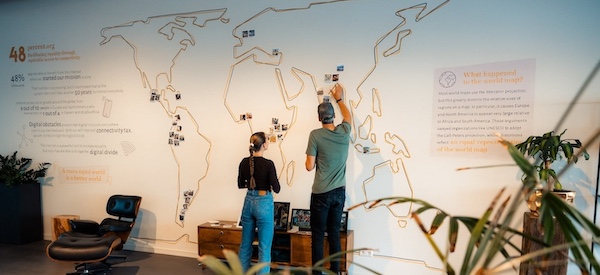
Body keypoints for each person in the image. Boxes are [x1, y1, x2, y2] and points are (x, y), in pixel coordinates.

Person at [305, 83, 351, 274]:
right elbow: (348, 117)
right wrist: (339, 98)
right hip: (339, 192)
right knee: (334, 233)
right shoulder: (344, 131)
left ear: (319, 118)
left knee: (317, 235)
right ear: (333, 117)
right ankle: (336, 271)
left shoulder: (315, 135)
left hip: (321, 194)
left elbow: (309, 166)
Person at [238, 132, 281, 275]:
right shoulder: (268, 164)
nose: (268, 142)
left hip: (248, 202)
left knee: (245, 245)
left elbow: (240, 184)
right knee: (264, 247)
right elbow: (277, 188)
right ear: (263, 145)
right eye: (268, 140)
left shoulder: (244, 162)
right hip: (264, 203)